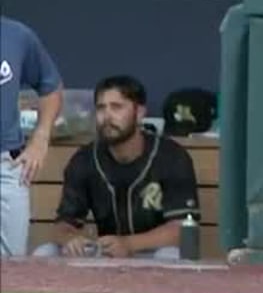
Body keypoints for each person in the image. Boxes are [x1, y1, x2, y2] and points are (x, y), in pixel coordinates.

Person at [32, 75, 202, 260]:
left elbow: (182, 230)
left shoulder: (172, 157)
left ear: (139, 113)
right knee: (46, 252)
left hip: (151, 252)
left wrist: (128, 244)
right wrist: (71, 239)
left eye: (117, 107)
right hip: (107, 252)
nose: (107, 116)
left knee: (170, 255)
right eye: (101, 108)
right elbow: (63, 224)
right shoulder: (84, 159)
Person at [0, 0, 64, 258]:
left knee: (12, 267)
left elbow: (50, 87)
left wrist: (40, 138)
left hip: (5, 166)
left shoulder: (17, 36)